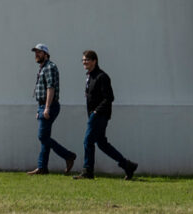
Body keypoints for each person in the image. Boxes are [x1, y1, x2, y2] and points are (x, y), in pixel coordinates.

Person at [77, 49, 138, 179]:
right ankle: (127, 165)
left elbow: (109, 97)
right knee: (102, 144)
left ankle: (88, 171)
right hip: (94, 115)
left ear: (94, 61)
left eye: (87, 60)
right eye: (83, 60)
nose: (84, 62)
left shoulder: (102, 76)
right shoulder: (90, 76)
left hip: (99, 115)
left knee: (88, 141)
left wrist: (96, 111)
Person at [25, 45, 77, 174]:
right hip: (43, 105)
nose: (36, 54)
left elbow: (50, 88)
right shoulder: (43, 68)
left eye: (39, 52)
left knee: (42, 137)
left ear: (46, 54)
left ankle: (68, 156)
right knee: (45, 137)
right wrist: (40, 109)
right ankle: (42, 167)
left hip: (50, 105)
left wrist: (47, 108)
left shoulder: (50, 67)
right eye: (35, 52)